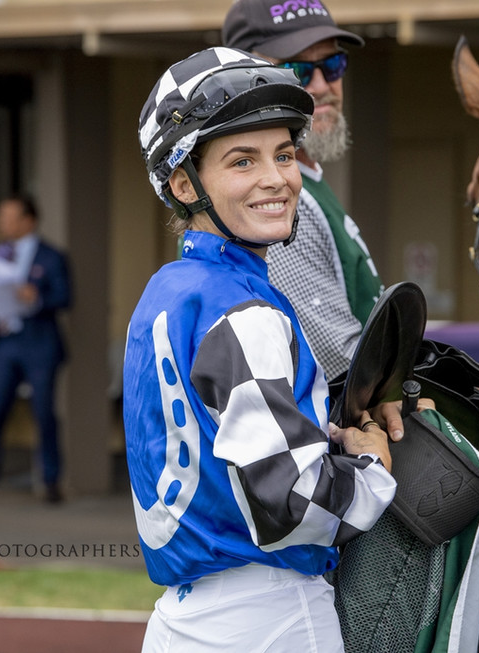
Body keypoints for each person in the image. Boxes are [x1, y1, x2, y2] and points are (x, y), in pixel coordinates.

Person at [128, 47, 420, 651]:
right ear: (184, 183)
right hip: (271, 613)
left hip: (181, 619)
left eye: (284, 154)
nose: (276, 178)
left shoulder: (168, 290)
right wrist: (370, 468)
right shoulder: (246, 312)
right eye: (242, 160)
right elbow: (291, 502)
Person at [223, 0, 385, 383]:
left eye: (332, 66)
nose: (322, 86)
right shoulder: (269, 194)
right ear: (245, 78)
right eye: (297, 69)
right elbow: (342, 365)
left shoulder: (305, 177)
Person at [0, 195, 71, 505]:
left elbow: (65, 296)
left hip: (38, 341)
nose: (2, 224)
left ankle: (51, 480)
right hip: (4, 340)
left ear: (29, 220)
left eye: (9, 217)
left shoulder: (51, 256)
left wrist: (35, 297)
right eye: (0, 217)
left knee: (43, 412)